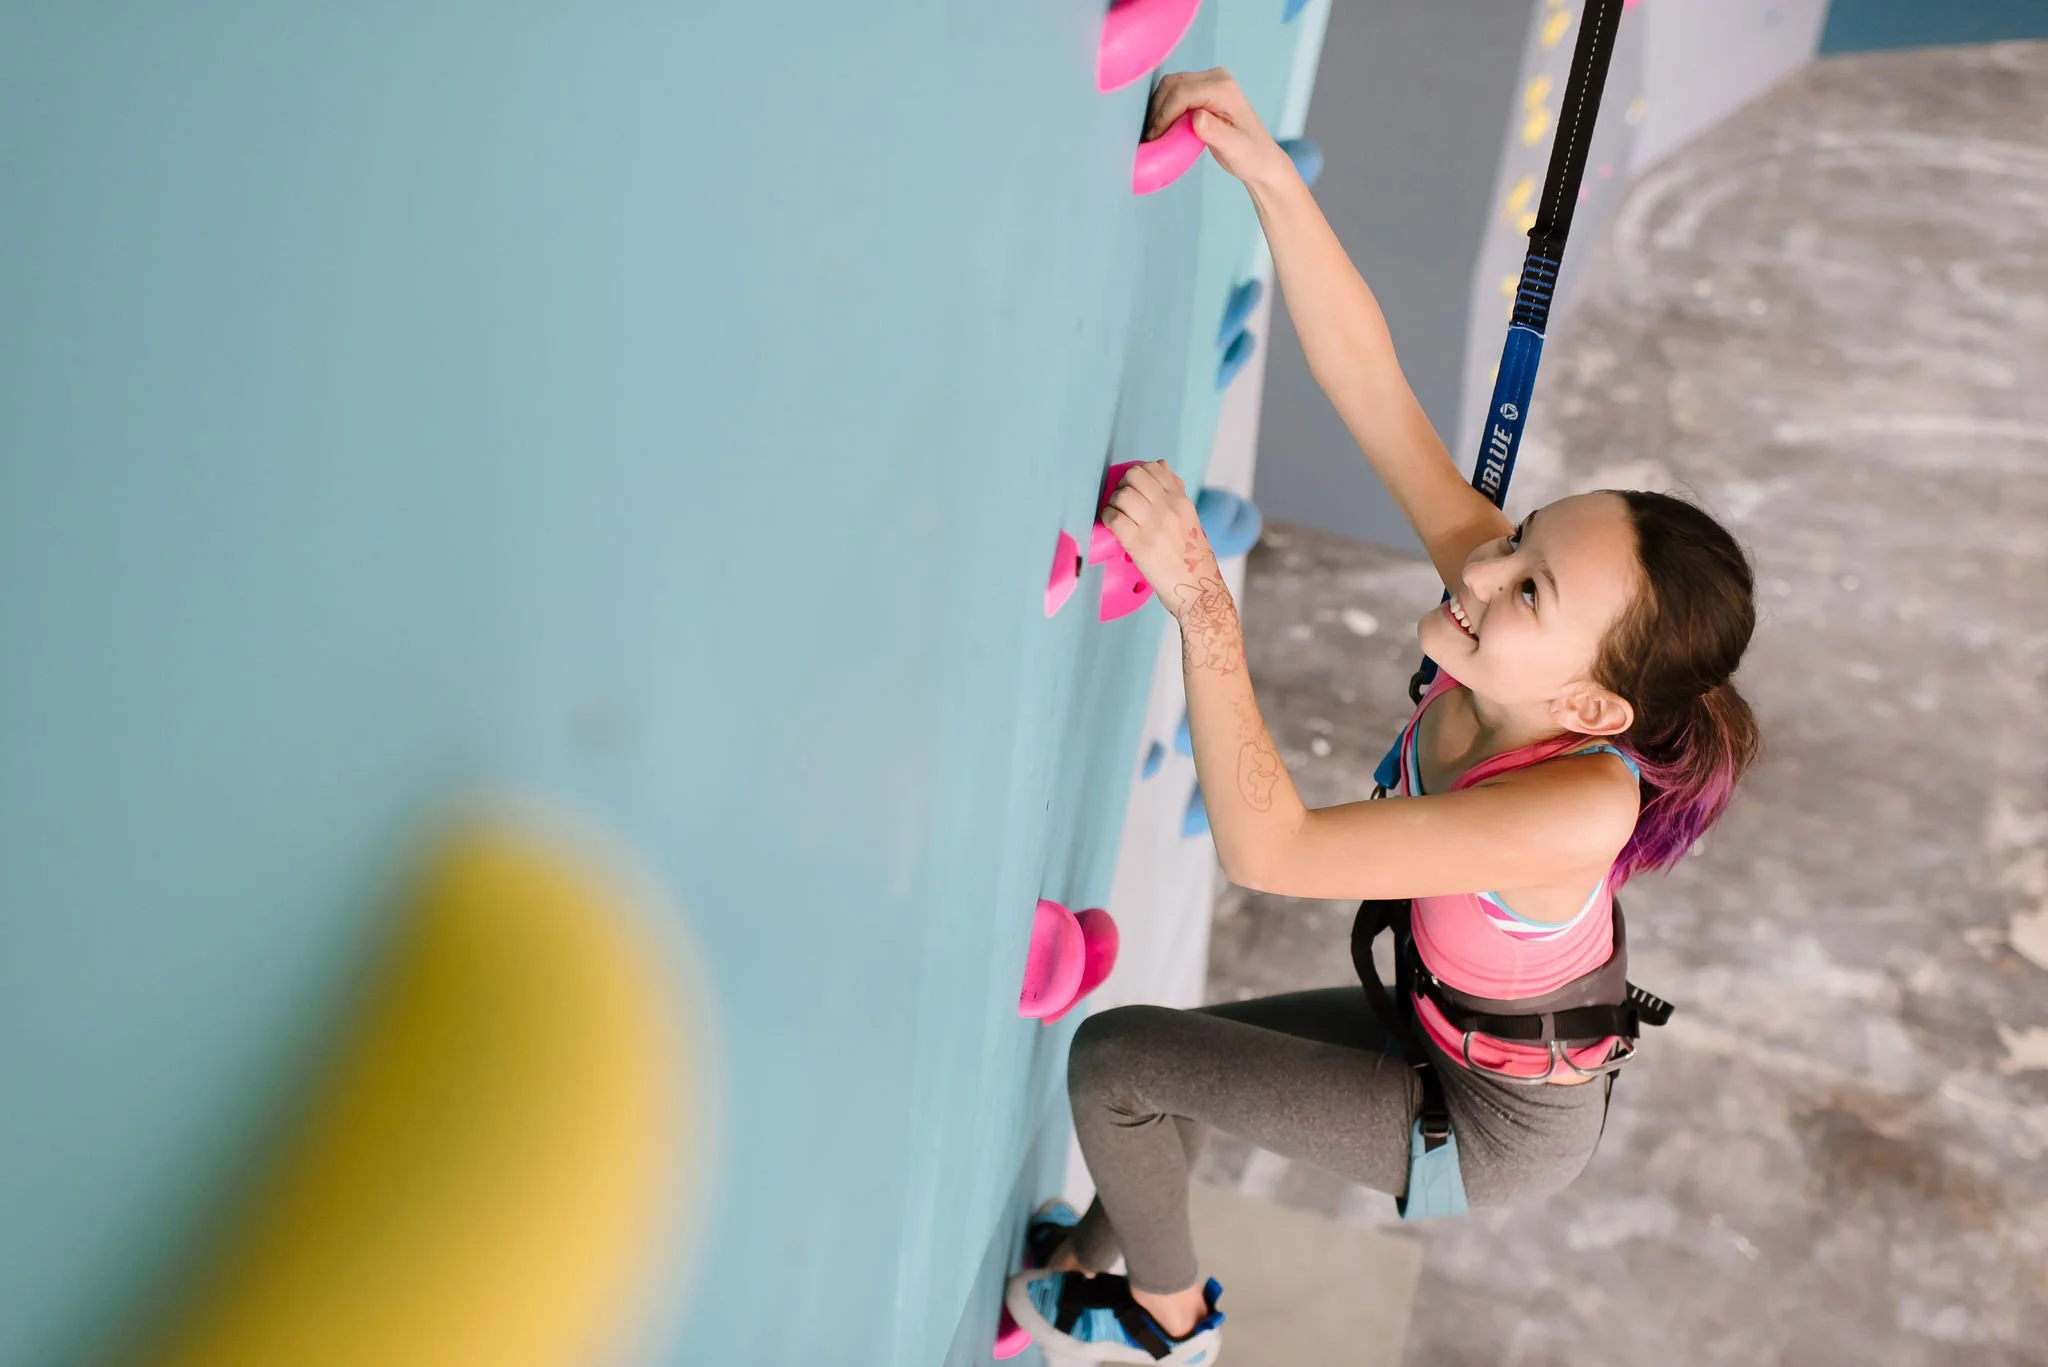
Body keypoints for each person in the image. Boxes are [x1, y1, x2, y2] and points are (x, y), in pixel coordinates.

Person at [1002, 69, 1761, 1365]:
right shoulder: (1515, 635)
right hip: (1439, 1014)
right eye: (1516, 534)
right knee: (1187, 1074)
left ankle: (1166, 1318)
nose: (1475, 567)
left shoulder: (1573, 803)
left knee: (1120, 1060)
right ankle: (1089, 1260)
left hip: (1485, 1120)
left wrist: (1202, 600)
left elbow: (1275, 853)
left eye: (1527, 583)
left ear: (1587, 704)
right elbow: (1375, 391)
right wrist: (1275, 183)